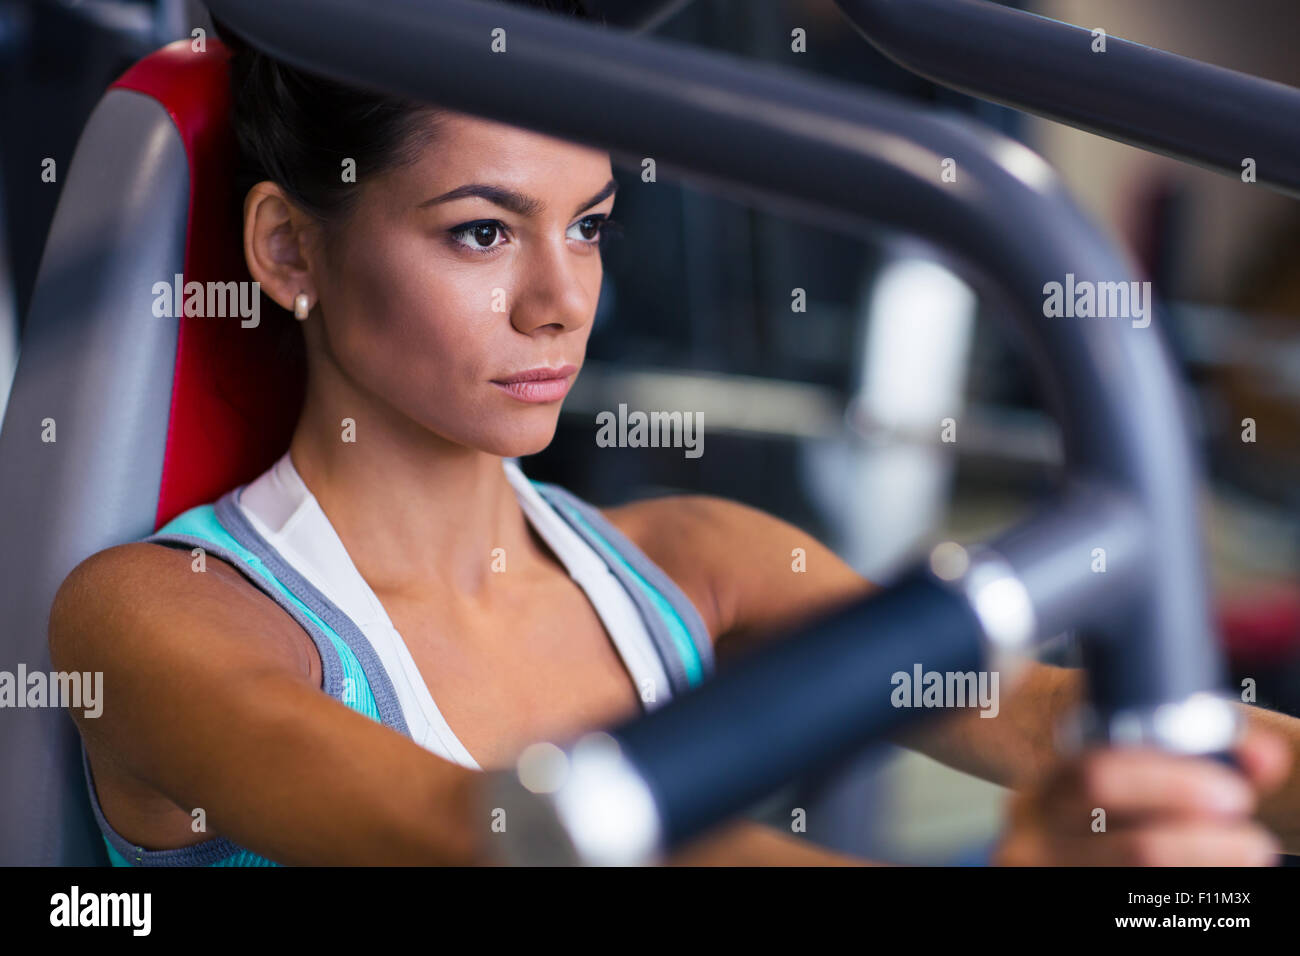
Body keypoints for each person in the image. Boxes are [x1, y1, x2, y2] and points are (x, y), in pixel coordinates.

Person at [47, 0, 1297, 866]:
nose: (561, 298)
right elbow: (483, 840)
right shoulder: (160, 618)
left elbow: (1034, 714)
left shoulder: (693, 558)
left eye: (586, 224)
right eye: (481, 230)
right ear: (285, 249)